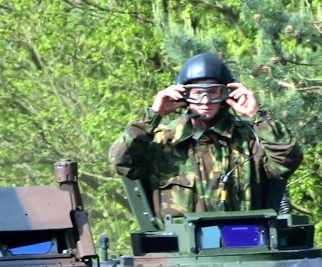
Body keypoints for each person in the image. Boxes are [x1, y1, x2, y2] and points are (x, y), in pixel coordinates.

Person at [110, 53, 302, 221]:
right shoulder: (163, 141)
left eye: (213, 92)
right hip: (181, 251)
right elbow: (122, 162)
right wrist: (152, 116)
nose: (205, 101)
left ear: (227, 94)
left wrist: (257, 116)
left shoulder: (250, 138)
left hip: (243, 245)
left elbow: (286, 161)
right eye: (196, 93)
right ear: (182, 95)